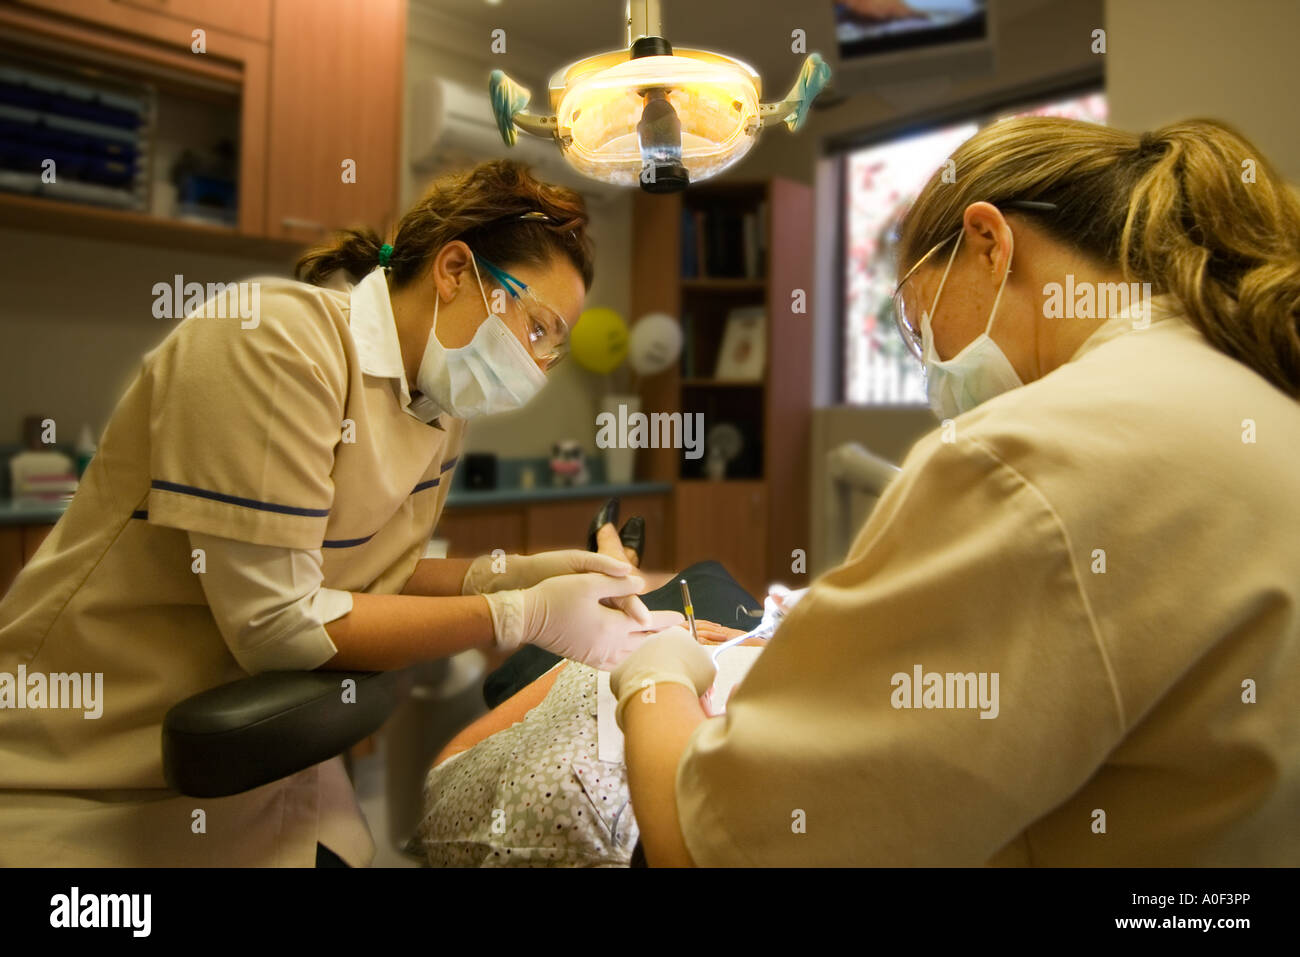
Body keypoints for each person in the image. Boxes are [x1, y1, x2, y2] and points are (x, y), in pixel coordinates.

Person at [610, 117, 1300, 866]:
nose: (932, 364)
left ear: (988, 243)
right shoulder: (1250, 396)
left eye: (917, 325)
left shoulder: (1027, 455)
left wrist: (655, 676)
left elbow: (710, 844)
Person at [0, 159, 678, 867]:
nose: (537, 366)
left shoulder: (437, 405)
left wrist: (511, 573)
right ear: (453, 270)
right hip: (92, 774)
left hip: (267, 770)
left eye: (553, 349)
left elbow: (380, 575)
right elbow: (279, 622)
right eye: (535, 329)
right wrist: (521, 615)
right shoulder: (274, 340)